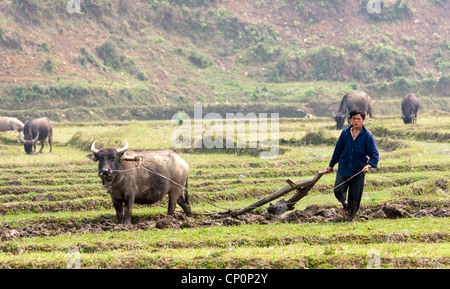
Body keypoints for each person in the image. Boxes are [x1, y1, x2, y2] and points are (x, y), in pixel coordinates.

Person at [326, 108, 379, 221]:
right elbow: (338, 150)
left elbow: (375, 154)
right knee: (338, 191)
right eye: (354, 119)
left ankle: (349, 219)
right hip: (343, 168)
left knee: (354, 199)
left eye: (358, 119)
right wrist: (331, 165)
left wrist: (368, 165)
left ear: (363, 120)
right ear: (350, 119)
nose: (356, 121)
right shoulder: (345, 133)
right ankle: (344, 204)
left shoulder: (368, 136)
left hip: (358, 171)